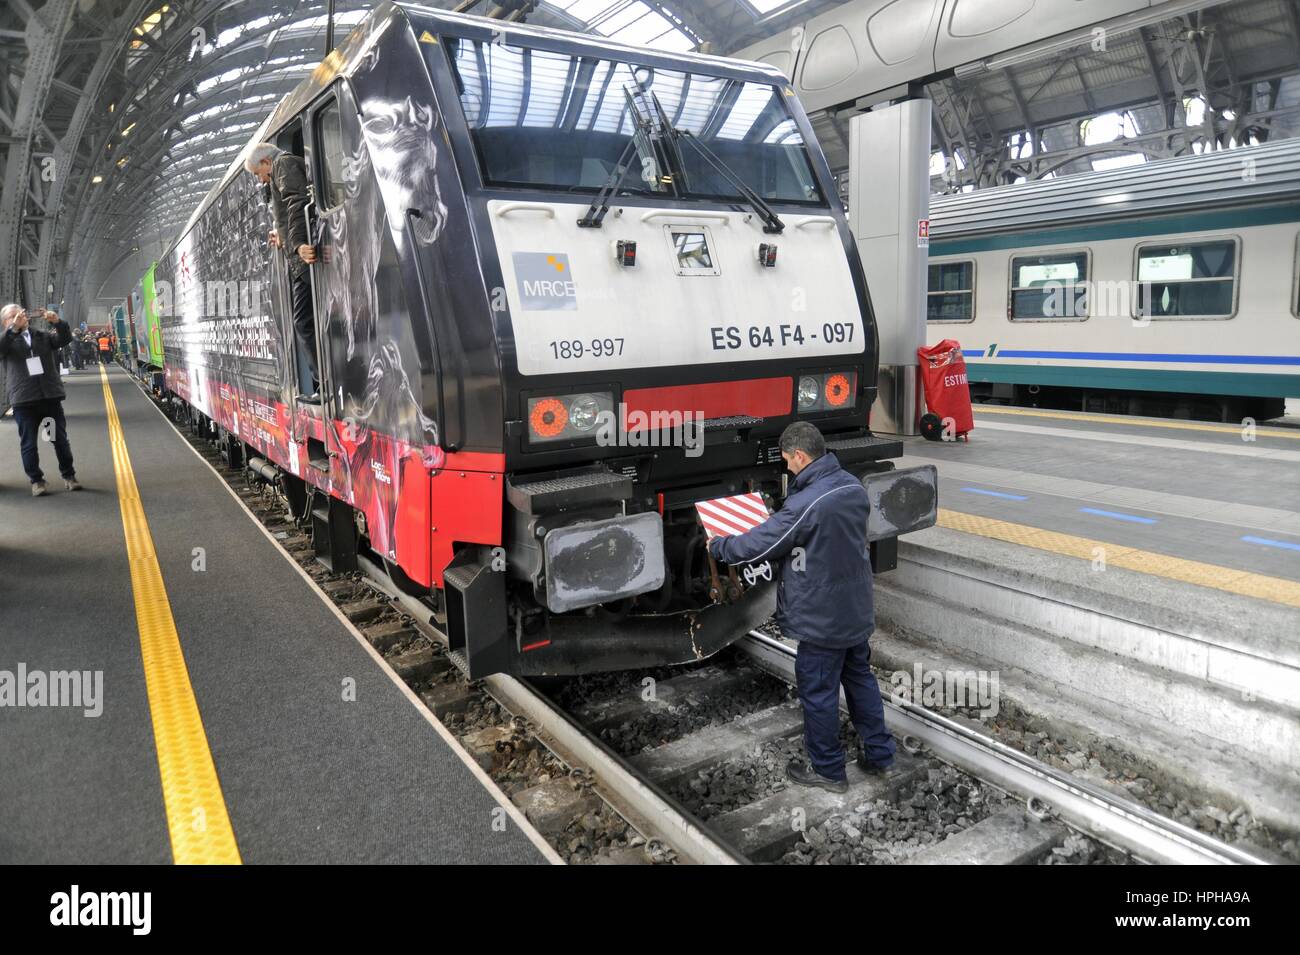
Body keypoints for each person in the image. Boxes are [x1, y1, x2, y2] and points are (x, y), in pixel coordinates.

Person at [708, 421, 894, 793]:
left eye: (788, 460)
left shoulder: (809, 502)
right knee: (860, 680)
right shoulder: (851, 485)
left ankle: (828, 771)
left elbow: (760, 546)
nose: (787, 467)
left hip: (823, 618)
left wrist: (720, 546)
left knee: (819, 692)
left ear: (800, 455)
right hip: (855, 610)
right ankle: (880, 755)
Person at [244, 142, 318, 397]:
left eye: (258, 173)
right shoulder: (280, 171)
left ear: (266, 162)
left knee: (303, 322)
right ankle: (322, 385)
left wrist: (297, 244)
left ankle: (323, 386)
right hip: (298, 256)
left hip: (303, 258)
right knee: (306, 321)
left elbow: (297, 204)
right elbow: (288, 212)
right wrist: (283, 236)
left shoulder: (283, 164)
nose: (261, 180)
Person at [0, 304, 82, 495]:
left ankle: (69, 476)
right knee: (29, 442)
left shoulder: (42, 336)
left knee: (58, 439)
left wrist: (58, 323)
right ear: (5, 322)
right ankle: (37, 481)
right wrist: (13, 329)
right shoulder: (7, 341)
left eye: (21, 313)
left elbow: (64, 339)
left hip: (48, 399)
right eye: (13, 316)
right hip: (24, 401)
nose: (19, 317)